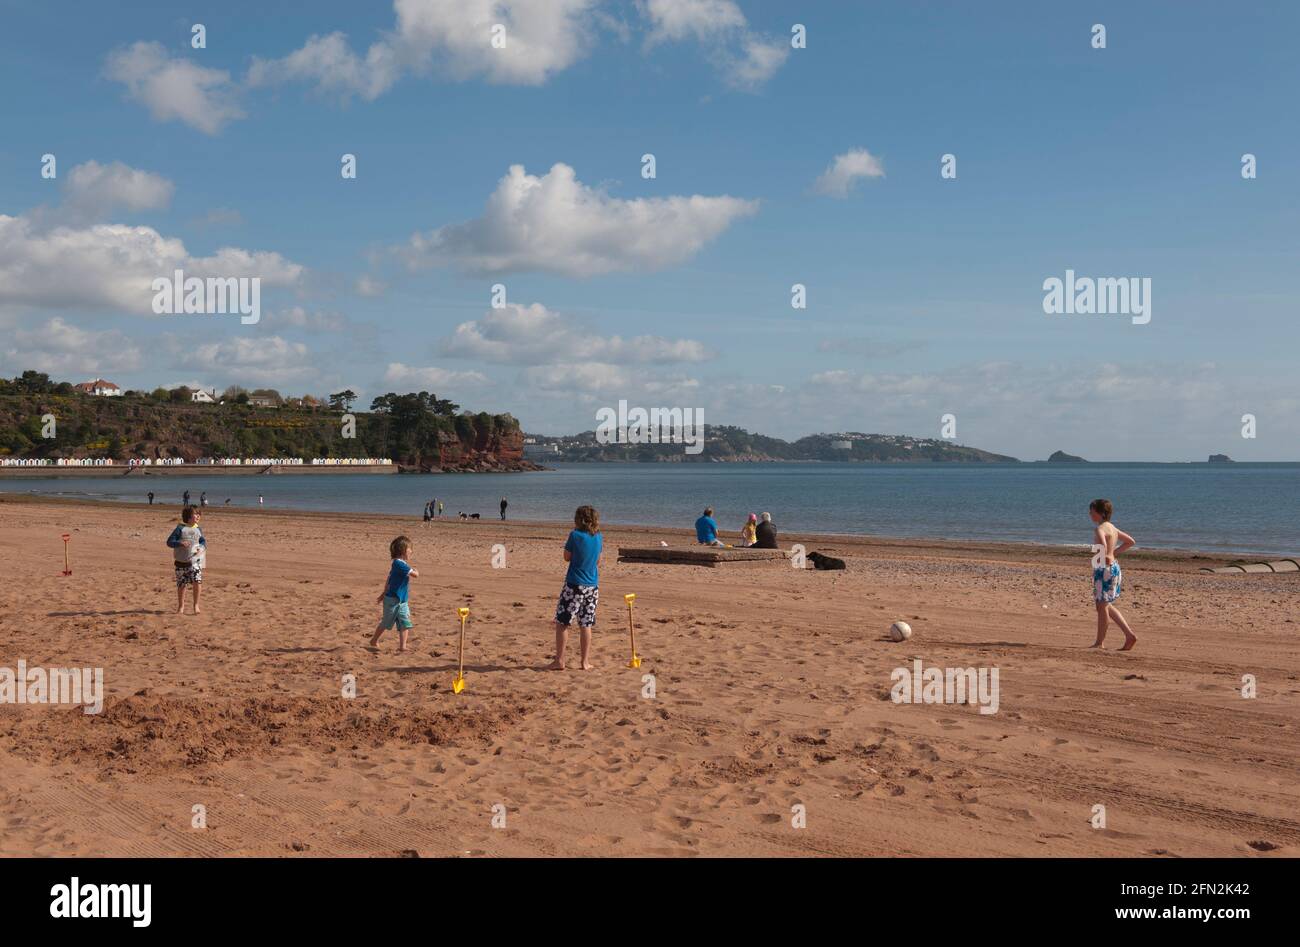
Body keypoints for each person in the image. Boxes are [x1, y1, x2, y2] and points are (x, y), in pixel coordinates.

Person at [551, 505, 602, 671]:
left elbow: (566, 557)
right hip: (592, 586)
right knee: (586, 625)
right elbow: (598, 560)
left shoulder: (575, 535)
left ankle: (559, 660)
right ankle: (585, 662)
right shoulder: (598, 536)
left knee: (563, 623)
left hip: (574, 584)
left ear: (578, 519)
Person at [1088, 499, 1138, 651]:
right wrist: (1114, 553)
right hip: (1113, 567)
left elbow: (1102, 546)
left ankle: (1099, 643)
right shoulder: (1113, 528)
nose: (1090, 514)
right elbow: (1130, 542)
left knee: (1102, 607)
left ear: (1101, 513)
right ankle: (1129, 635)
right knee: (1104, 605)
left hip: (1104, 569)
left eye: (1092, 512)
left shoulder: (1100, 529)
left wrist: (1100, 557)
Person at [371, 536, 418, 653]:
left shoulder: (399, 564)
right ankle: (373, 640)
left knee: (405, 622)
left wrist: (383, 592)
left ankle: (403, 646)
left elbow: (389, 579)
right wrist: (416, 571)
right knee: (386, 622)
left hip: (402, 600)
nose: (411, 551)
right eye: (409, 549)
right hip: (392, 600)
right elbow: (415, 575)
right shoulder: (399, 564)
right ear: (403, 550)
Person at [166, 505, 206, 615]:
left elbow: (203, 541)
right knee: (182, 585)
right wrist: (180, 543)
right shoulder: (180, 528)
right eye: (195, 514)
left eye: (199, 514)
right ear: (188, 517)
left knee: (197, 582)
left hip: (195, 562)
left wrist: (201, 548)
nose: (198, 516)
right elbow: (169, 542)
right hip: (181, 563)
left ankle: (196, 605)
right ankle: (181, 606)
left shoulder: (198, 529)